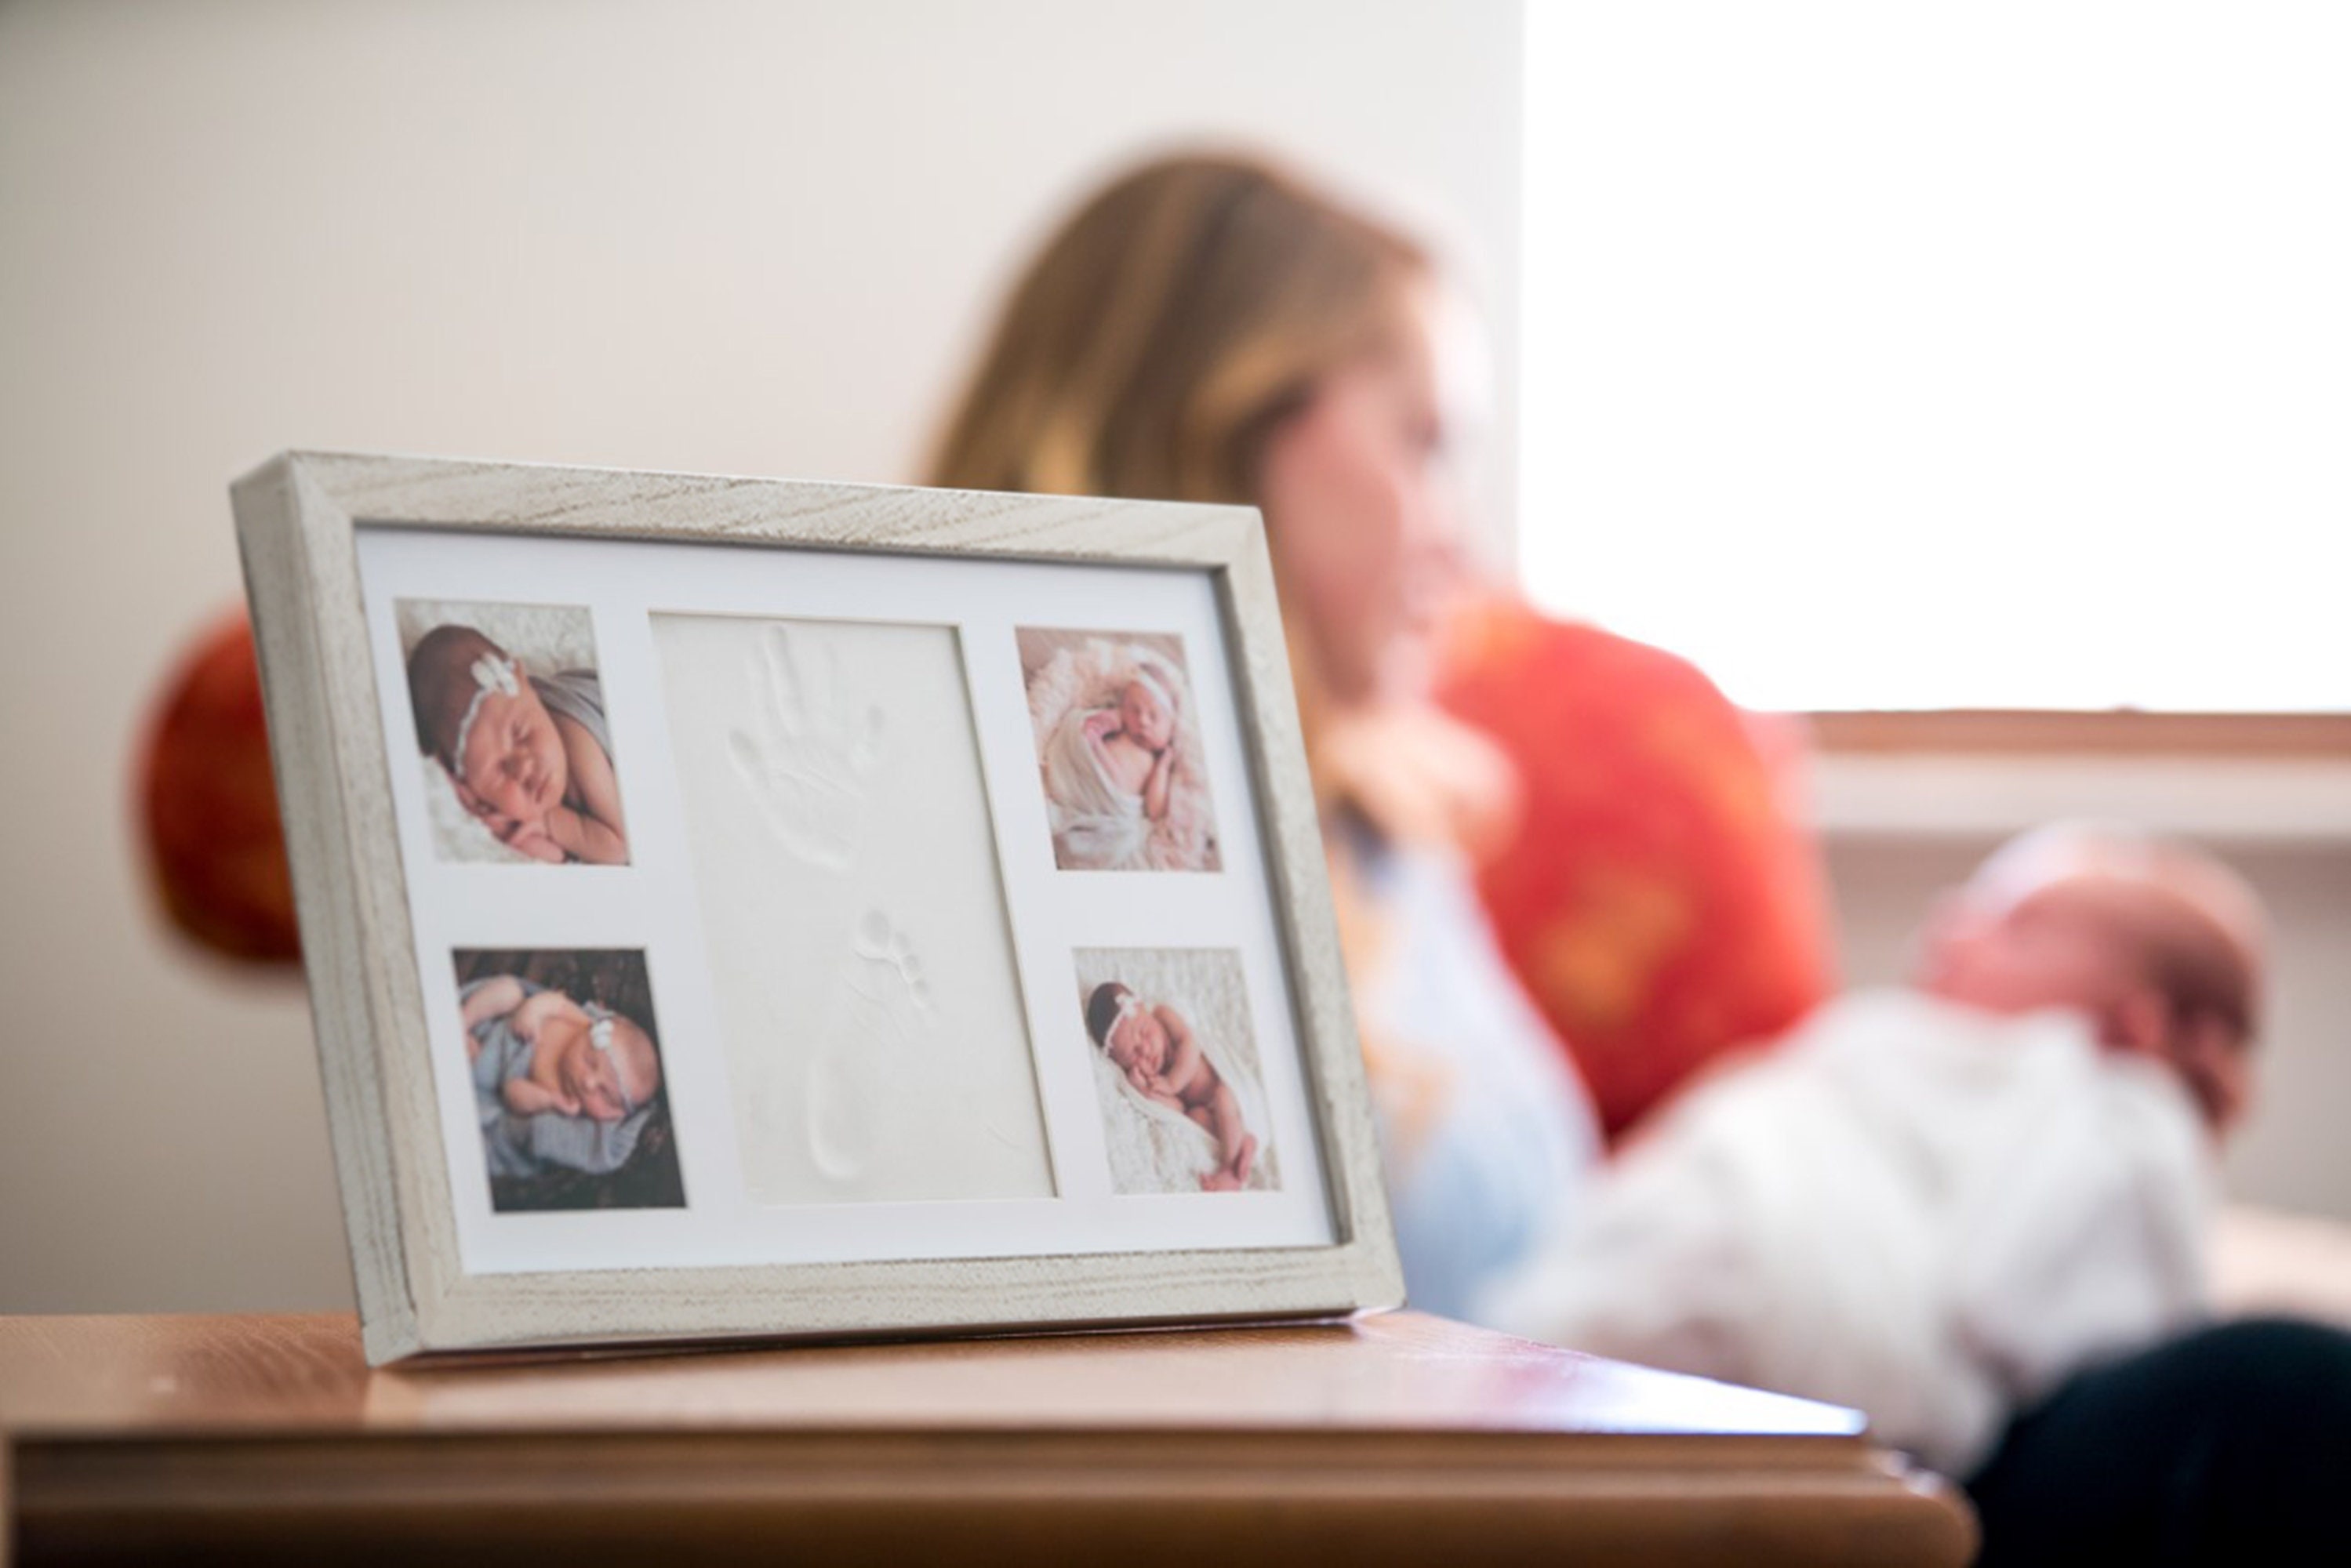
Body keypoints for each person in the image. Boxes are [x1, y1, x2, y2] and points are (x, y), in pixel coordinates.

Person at [931, 152, 1597, 1316]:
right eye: (1425, 443)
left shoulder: (1388, 826)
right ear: (1232, 426)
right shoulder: (990, 843)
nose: (1466, 552)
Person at [1482, 824, 2268, 1478]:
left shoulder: (2117, 1103)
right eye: (1966, 903)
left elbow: (2026, 1309)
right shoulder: (1894, 1051)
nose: (1949, 923)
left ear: (2135, 1024)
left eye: (2016, 925)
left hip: (1800, 1351)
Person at [405, 623, 629, 865]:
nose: (522, 767)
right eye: (499, 771)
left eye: (522, 734)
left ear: (525, 685)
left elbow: (621, 847)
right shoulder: (518, 801)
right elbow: (559, 857)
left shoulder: (579, 746)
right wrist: (504, 827)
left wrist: (549, 821)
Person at [460, 974, 663, 1181]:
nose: (588, 1082)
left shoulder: (564, 1102)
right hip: (502, 1021)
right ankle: (463, 1021)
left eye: (605, 1094)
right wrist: (533, 1009)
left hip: (492, 1069)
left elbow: (512, 1092)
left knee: (474, 1079)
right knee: (509, 991)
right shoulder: (579, 1021)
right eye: (590, 1061)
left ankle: (465, 1056)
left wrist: (548, 1100)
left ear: (615, 1114)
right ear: (592, 1030)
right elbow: (553, 1002)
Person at [1086, 981, 1258, 1191]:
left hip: (1223, 1090)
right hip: (1206, 1110)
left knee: (1223, 1098)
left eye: (1145, 1032)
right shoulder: (1148, 1078)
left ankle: (1230, 1171)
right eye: (1133, 1054)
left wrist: (1171, 1082)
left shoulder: (1164, 1015)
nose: (1146, 1050)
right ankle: (1242, 1143)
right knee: (1196, 1117)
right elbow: (1179, 1109)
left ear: (1145, 1011)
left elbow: (1191, 1045)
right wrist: (1147, 1093)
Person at [1042, 659, 1183, 868]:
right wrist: (1104, 726)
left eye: (1153, 716)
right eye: (1134, 710)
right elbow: (1085, 732)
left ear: (1171, 728)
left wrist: (1163, 766)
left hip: (1113, 809)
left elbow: (1154, 811)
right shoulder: (1119, 730)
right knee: (1080, 727)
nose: (1142, 721)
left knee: (1125, 840)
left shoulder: (1156, 763)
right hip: (1087, 778)